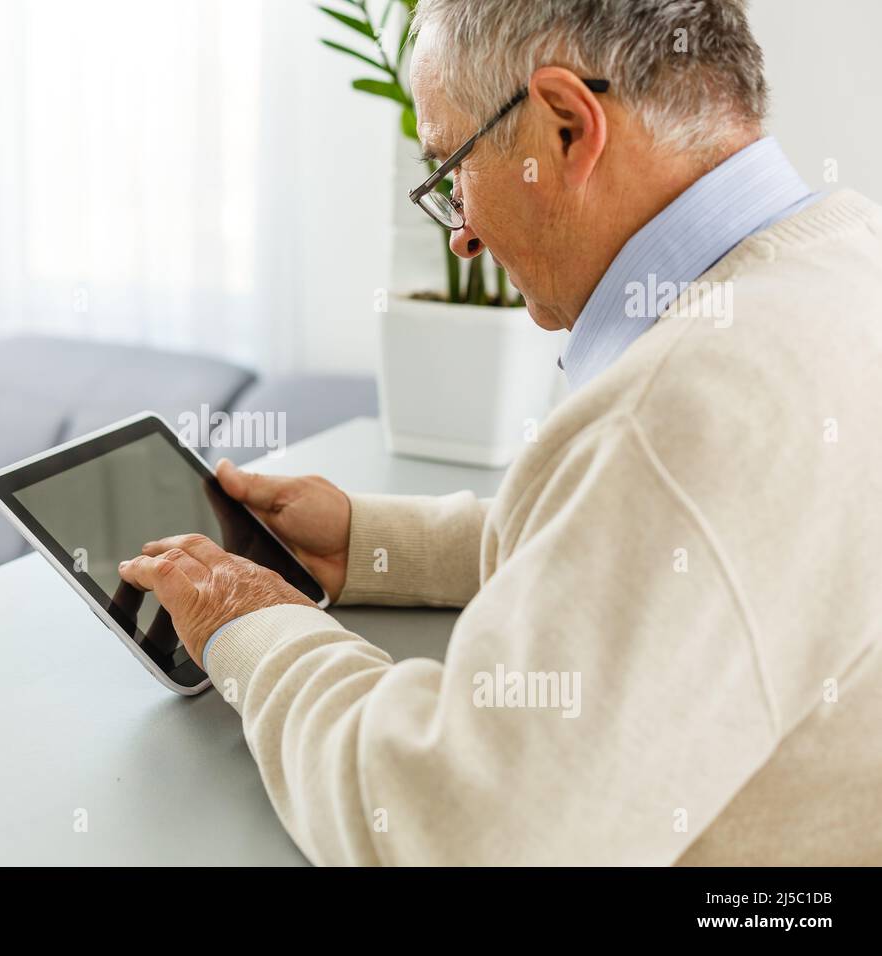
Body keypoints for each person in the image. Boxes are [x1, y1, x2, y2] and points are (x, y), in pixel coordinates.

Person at [119, 0, 882, 865]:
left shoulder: (679, 410)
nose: (467, 235)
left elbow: (456, 832)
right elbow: (674, 539)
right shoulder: (842, 257)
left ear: (565, 126)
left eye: (454, 167)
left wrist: (249, 621)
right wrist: (374, 546)